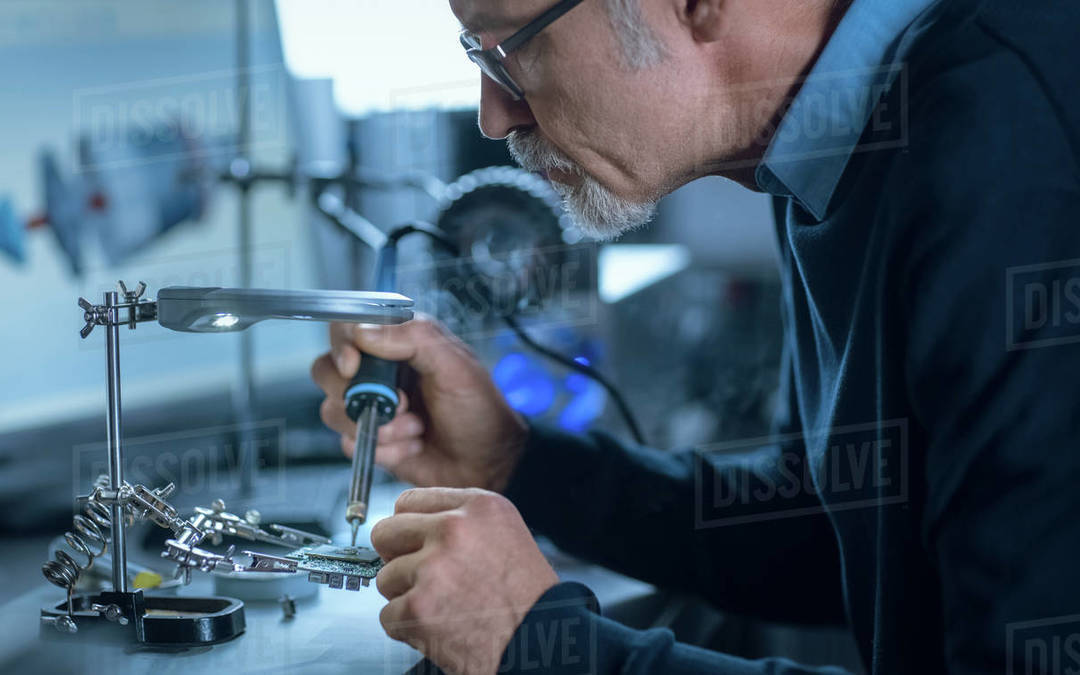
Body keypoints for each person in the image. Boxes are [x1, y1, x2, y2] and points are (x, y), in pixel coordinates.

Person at [311, 0, 1080, 672]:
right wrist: (513, 460)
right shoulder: (834, 138)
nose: (495, 115)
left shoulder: (1013, 147)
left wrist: (544, 647)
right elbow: (828, 532)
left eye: (513, 46)